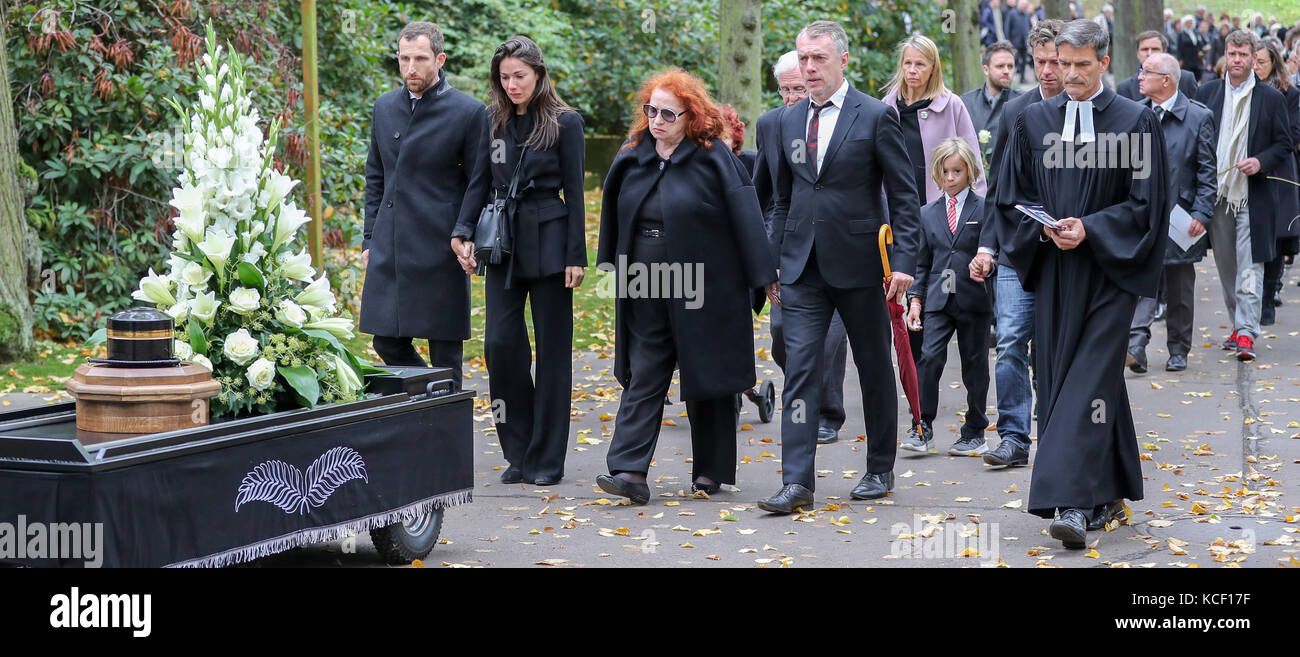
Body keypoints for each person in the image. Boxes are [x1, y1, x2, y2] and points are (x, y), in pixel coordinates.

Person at [997, 19, 1169, 548]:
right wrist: (1046, 227)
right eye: (1060, 63)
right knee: (1063, 379)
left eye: (1080, 65)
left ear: (1103, 62)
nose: (1067, 75)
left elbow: (1148, 204)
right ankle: (1108, 491)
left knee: (1088, 379)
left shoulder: (1135, 121)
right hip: (1054, 271)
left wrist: (1090, 228)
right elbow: (1011, 197)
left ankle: (1070, 504)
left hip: (1110, 273)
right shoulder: (1033, 121)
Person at [757, 20, 922, 513]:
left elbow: (904, 196)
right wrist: (773, 263)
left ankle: (879, 468)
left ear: (842, 60)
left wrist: (906, 264)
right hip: (802, 268)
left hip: (863, 267)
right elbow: (781, 200)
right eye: (803, 58)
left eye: (818, 59)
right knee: (801, 372)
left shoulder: (874, 116)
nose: (809, 68)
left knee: (873, 368)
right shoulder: (786, 122)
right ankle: (796, 482)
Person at [594, 68, 777, 504]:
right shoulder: (634, 153)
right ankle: (629, 471)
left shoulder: (714, 157)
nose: (656, 120)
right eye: (651, 110)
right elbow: (612, 212)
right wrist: (607, 265)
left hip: (703, 283)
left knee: (707, 373)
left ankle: (710, 472)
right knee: (645, 371)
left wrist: (763, 277)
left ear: (691, 116)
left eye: (668, 114)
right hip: (645, 279)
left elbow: (746, 218)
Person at [452, 37, 587, 486]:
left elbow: (575, 193)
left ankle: (548, 459)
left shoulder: (566, 123)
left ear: (538, 73)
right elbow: (478, 181)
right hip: (503, 244)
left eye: (519, 76)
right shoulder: (491, 121)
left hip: (550, 242)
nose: (512, 85)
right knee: (500, 346)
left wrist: (576, 255)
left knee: (553, 354)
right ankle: (519, 450)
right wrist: (463, 231)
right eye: (505, 77)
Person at [361, 22, 485, 388]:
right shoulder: (384, 108)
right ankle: (426, 398)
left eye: (420, 58)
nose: (411, 67)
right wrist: (369, 239)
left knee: (445, 353)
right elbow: (375, 178)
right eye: (404, 58)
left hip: (441, 246)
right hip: (390, 246)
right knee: (386, 340)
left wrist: (465, 232)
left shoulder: (468, 112)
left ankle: (448, 431)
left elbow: (478, 182)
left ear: (439, 59)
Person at [969, 18, 1065, 470]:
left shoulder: (1082, 114)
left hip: (1064, 251)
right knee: (1009, 342)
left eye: (1055, 62)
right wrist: (986, 247)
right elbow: (996, 190)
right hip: (1014, 248)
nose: (1047, 71)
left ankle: (1054, 432)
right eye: (1040, 62)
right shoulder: (1015, 112)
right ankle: (1011, 435)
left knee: (1052, 347)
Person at [753, 51, 851, 446]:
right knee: (782, 334)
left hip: (840, 249)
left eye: (799, 87)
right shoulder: (771, 125)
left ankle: (827, 413)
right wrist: (764, 255)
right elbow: (763, 194)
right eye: (786, 89)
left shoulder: (847, 119)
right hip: (789, 249)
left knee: (829, 339)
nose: (793, 96)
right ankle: (803, 395)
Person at [881, 34, 986, 377]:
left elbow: (974, 162)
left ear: (933, 68)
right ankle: (913, 373)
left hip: (940, 214)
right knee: (903, 287)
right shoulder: (886, 107)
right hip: (898, 214)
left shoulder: (950, 105)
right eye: (908, 63)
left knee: (931, 287)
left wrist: (976, 217)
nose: (912, 70)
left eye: (920, 64)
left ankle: (928, 371)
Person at [1195, 30, 1295, 360]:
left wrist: (1260, 161)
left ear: (1254, 58)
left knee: (1250, 264)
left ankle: (1248, 332)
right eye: (1232, 54)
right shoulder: (1207, 93)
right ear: (1225, 56)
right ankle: (1238, 323)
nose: (1237, 60)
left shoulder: (1270, 98)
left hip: (1254, 195)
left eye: (1243, 54)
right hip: (1218, 194)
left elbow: (1283, 144)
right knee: (1226, 265)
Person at [1127, 53, 1217, 374]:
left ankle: (1178, 348)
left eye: (1146, 72)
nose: (1139, 77)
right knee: (1140, 282)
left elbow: (1207, 171)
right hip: (1142, 215)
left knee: (1179, 287)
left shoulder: (1197, 117)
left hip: (1182, 218)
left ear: (1166, 80)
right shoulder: (1136, 115)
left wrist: (1202, 213)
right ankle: (1136, 345)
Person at [904, 138, 992, 457]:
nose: (951, 177)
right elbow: (921, 262)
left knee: (974, 364)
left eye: (957, 170)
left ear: (970, 170)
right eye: (944, 171)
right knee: (928, 358)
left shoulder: (985, 209)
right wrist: (915, 301)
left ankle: (975, 430)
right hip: (937, 300)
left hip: (974, 299)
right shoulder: (927, 213)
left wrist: (986, 267)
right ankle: (922, 425)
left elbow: (992, 251)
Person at [1252, 39, 1300, 326]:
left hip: (1278, 170)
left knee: (1276, 237)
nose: (1256, 67)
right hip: (1247, 170)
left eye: (1261, 62)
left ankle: (1269, 295)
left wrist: (1263, 153)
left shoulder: (1289, 93)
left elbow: (1293, 134)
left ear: (1274, 64)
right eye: (1253, 61)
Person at [960, 40, 1023, 160]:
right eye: (1000, 66)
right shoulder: (965, 103)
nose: (1006, 71)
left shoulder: (1024, 102)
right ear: (986, 69)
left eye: (1010, 66)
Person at [1115, 31, 1199, 101]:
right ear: (1137, 53)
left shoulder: (1186, 79)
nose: (1149, 53)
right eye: (1144, 49)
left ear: (1164, 51)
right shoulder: (1125, 88)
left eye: (1155, 49)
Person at [1178, 15, 1205, 81]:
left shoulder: (1196, 32)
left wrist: (1203, 56)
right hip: (1187, 59)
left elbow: (1200, 45)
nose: (1189, 24)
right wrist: (1180, 59)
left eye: (1191, 22)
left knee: (1198, 76)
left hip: (1197, 59)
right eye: (1188, 22)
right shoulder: (1181, 34)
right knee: (1188, 77)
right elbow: (1179, 47)